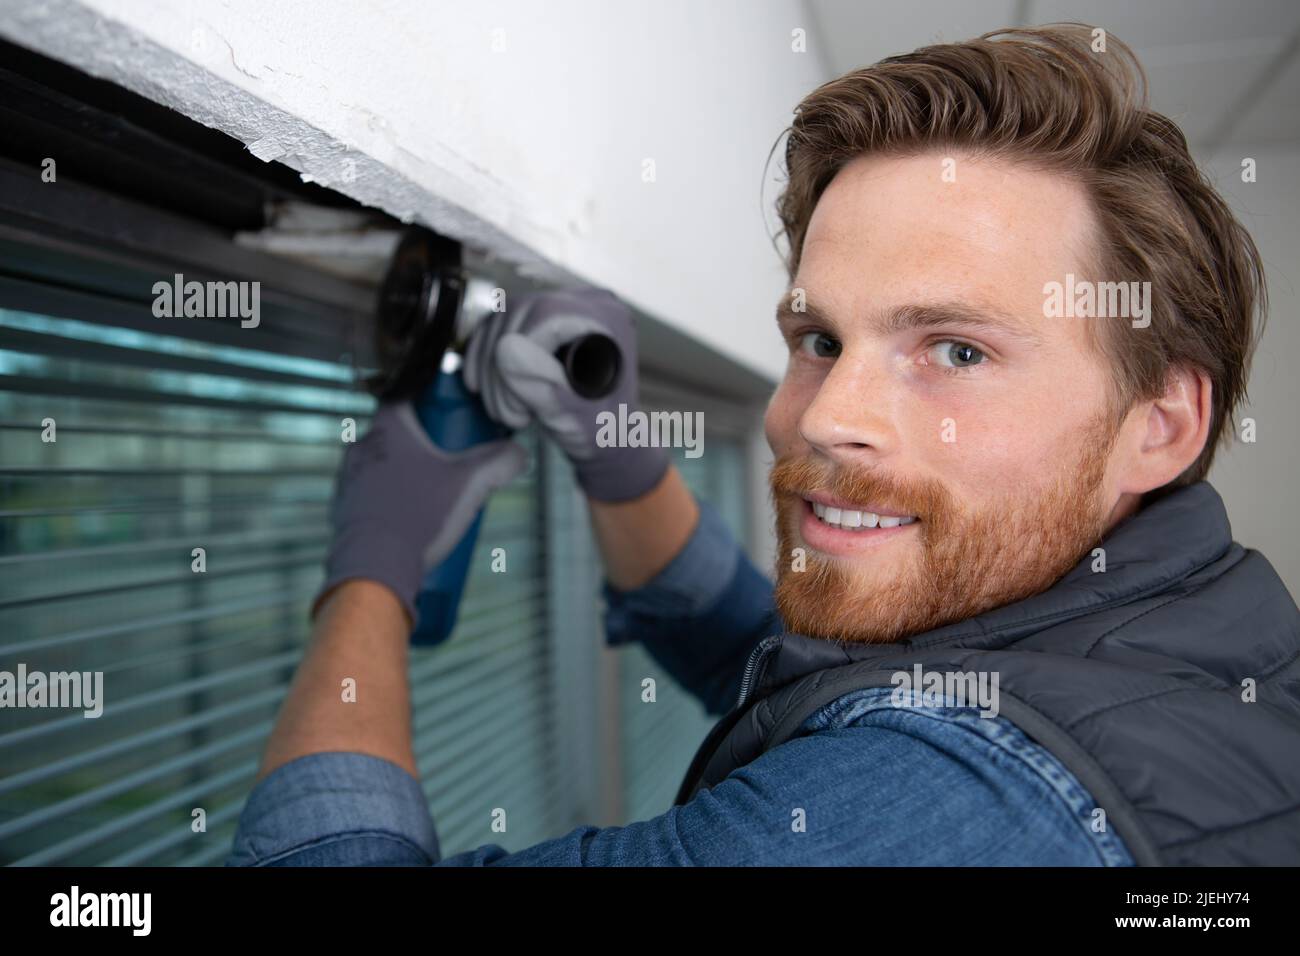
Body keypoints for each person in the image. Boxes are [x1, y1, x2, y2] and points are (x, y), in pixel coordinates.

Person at [227, 24, 1300, 867]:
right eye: (820, 337)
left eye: (957, 351)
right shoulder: (1168, 639)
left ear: (1159, 424)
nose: (828, 413)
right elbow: (783, 664)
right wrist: (619, 457)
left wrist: (373, 565)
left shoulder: (978, 811)